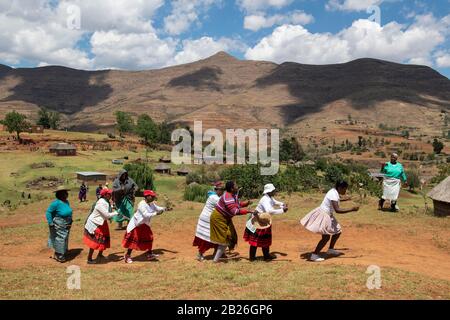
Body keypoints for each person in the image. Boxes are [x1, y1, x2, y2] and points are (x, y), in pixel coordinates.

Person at [300, 181, 359, 262]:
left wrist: (346, 199)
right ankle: (314, 255)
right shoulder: (333, 194)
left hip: (329, 215)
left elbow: (336, 200)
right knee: (326, 237)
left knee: (337, 231)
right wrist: (352, 209)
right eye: (345, 189)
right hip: (324, 215)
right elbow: (337, 210)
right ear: (340, 188)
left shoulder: (334, 191)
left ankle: (330, 249)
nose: (345, 191)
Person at [209, 181, 255, 263]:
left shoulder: (232, 195)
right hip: (218, 218)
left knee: (230, 236)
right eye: (236, 186)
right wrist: (248, 211)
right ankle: (215, 260)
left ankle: (219, 255)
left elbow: (237, 204)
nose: (237, 187)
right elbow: (235, 211)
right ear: (232, 188)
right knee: (226, 239)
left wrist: (246, 203)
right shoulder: (227, 197)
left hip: (225, 218)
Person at [244, 184, 288, 262]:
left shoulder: (269, 197)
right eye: (273, 190)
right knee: (255, 240)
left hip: (263, 221)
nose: (274, 191)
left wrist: (282, 204)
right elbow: (269, 211)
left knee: (266, 239)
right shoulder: (265, 199)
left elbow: (275, 202)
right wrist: (282, 210)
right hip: (257, 221)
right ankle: (252, 258)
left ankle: (266, 256)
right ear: (269, 191)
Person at [122, 190, 168, 264]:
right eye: (152, 196)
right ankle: (127, 255)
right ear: (147, 196)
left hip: (145, 224)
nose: (153, 197)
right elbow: (145, 214)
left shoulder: (151, 203)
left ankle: (149, 254)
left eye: (153, 196)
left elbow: (157, 208)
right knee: (134, 240)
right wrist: (156, 213)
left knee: (149, 238)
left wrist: (164, 208)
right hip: (137, 224)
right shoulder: (141, 204)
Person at [83, 189, 118, 264]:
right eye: (109, 194)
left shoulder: (105, 201)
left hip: (102, 222)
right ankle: (89, 259)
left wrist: (112, 207)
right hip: (96, 223)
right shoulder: (100, 203)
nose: (110, 195)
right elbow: (106, 215)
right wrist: (116, 213)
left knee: (104, 238)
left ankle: (100, 254)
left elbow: (107, 208)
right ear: (104, 195)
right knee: (95, 240)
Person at [193, 182, 225, 261]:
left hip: (210, 220)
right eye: (221, 190)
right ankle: (200, 254)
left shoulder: (215, 196)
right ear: (216, 190)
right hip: (207, 220)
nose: (222, 192)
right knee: (206, 238)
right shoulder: (214, 198)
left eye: (223, 190)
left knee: (217, 236)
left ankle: (218, 252)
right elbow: (224, 205)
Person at [46, 186, 73, 263]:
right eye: (65, 193)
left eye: (66, 192)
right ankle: (59, 254)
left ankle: (62, 251)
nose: (66, 194)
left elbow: (68, 211)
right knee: (61, 237)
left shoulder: (67, 202)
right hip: (59, 222)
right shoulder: (55, 203)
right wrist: (50, 223)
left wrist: (70, 219)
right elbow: (48, 212)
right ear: (60, 194)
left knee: (65, 237)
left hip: (67, 222)